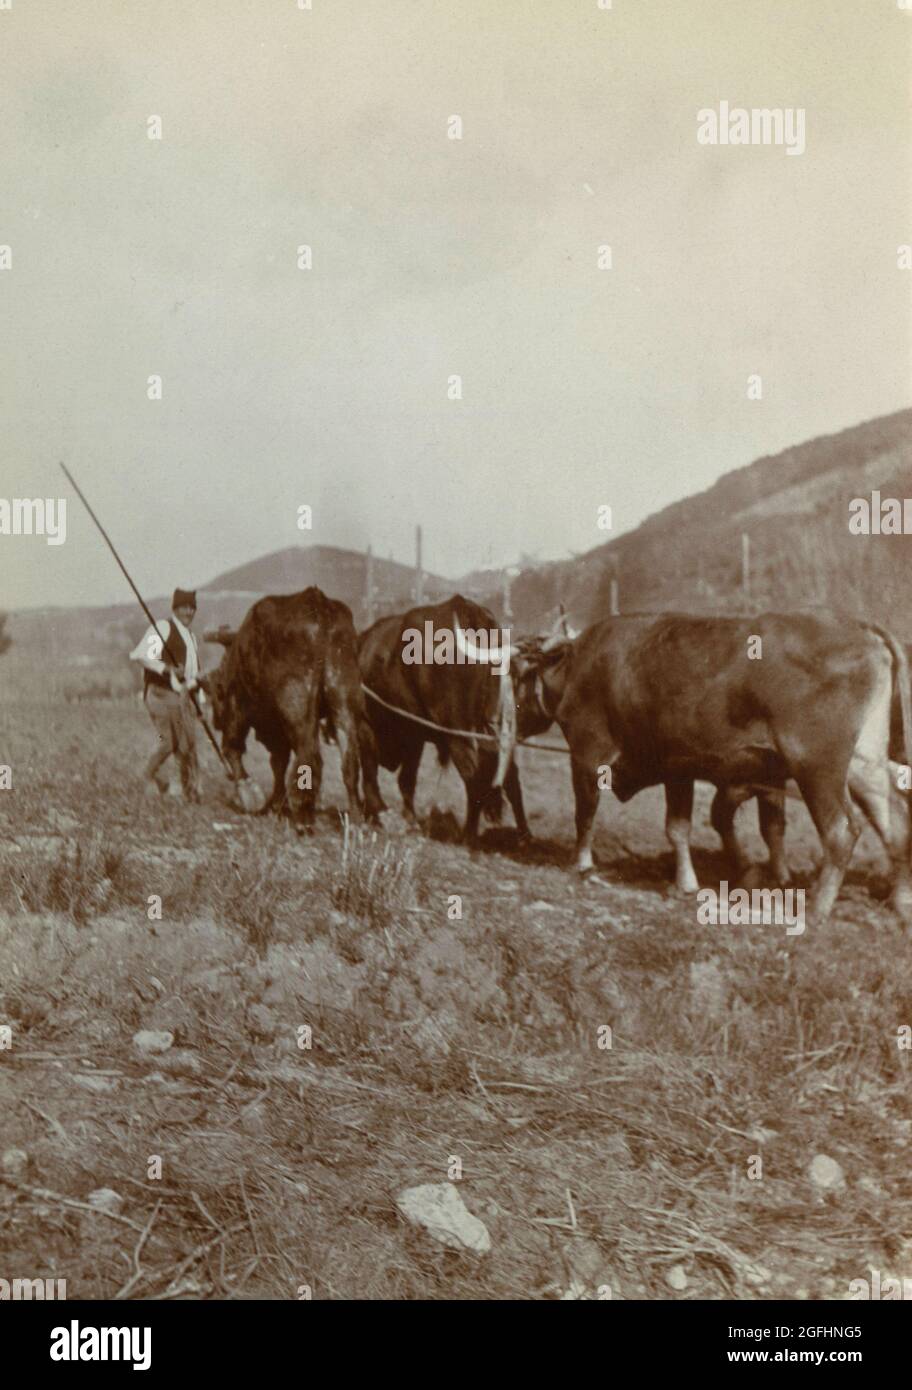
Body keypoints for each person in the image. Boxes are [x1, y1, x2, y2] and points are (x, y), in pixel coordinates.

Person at [130, 588, 203, 801]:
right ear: (175, 608)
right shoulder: (163, 627)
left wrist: (198, 699)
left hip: (182, 697)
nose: (188, 612)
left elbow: (192, 674)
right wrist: (167, 669)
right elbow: (142, 655)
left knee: (186, 744)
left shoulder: (191, 637)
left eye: (192, 608)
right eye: (184, 607)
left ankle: (186, 790)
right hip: (159, 694)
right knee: (169, 742)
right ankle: (146, 776)